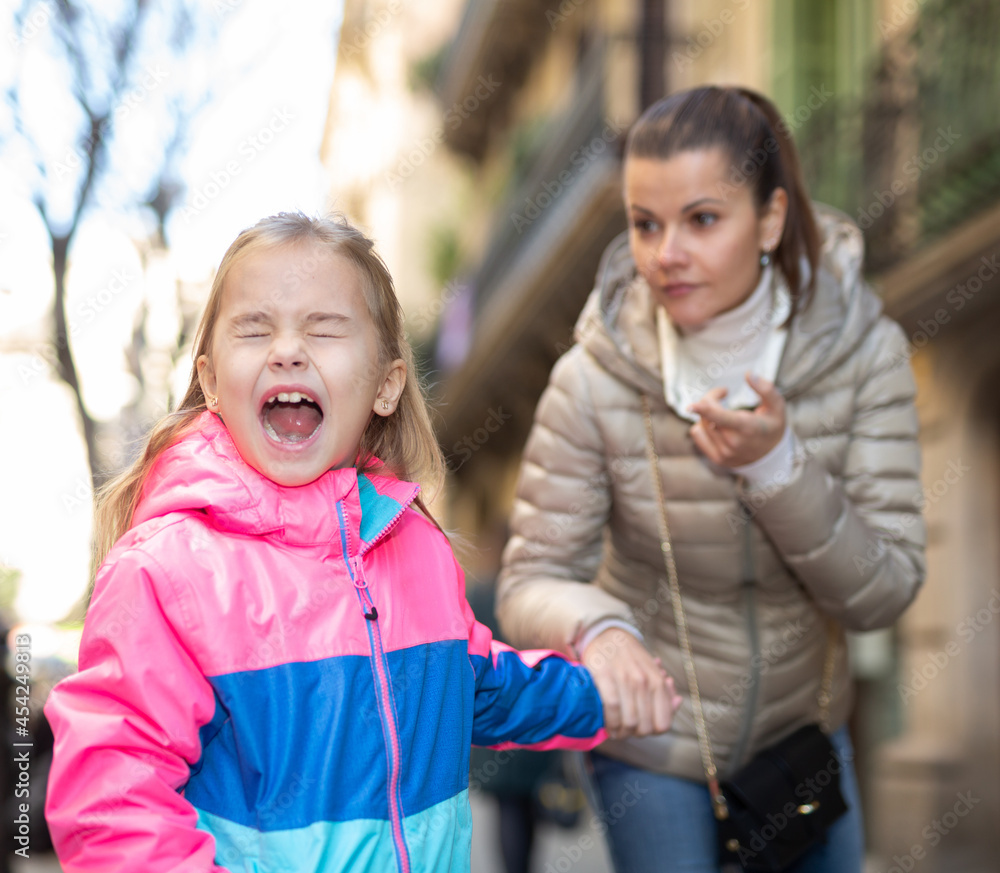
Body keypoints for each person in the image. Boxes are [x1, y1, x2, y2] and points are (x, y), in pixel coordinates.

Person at [43, 213, 681, 873]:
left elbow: (468, 685)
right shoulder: (165, 570)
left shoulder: (415, 547)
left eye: (323, 328)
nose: (287, 349)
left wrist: (597, 695)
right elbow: (113, 797)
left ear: (385, 384)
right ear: (209, 380)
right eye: (255, 328)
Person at [497, 86, 925, 873]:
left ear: (769, 219)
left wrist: (778, 469)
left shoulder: (866, 352)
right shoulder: (589, 379)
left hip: (806, 741)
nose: (666, 255)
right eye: (644, 224)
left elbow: (884, 591)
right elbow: (530, 581)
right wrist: (599, 627)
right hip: (650, 746)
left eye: (702, 219)